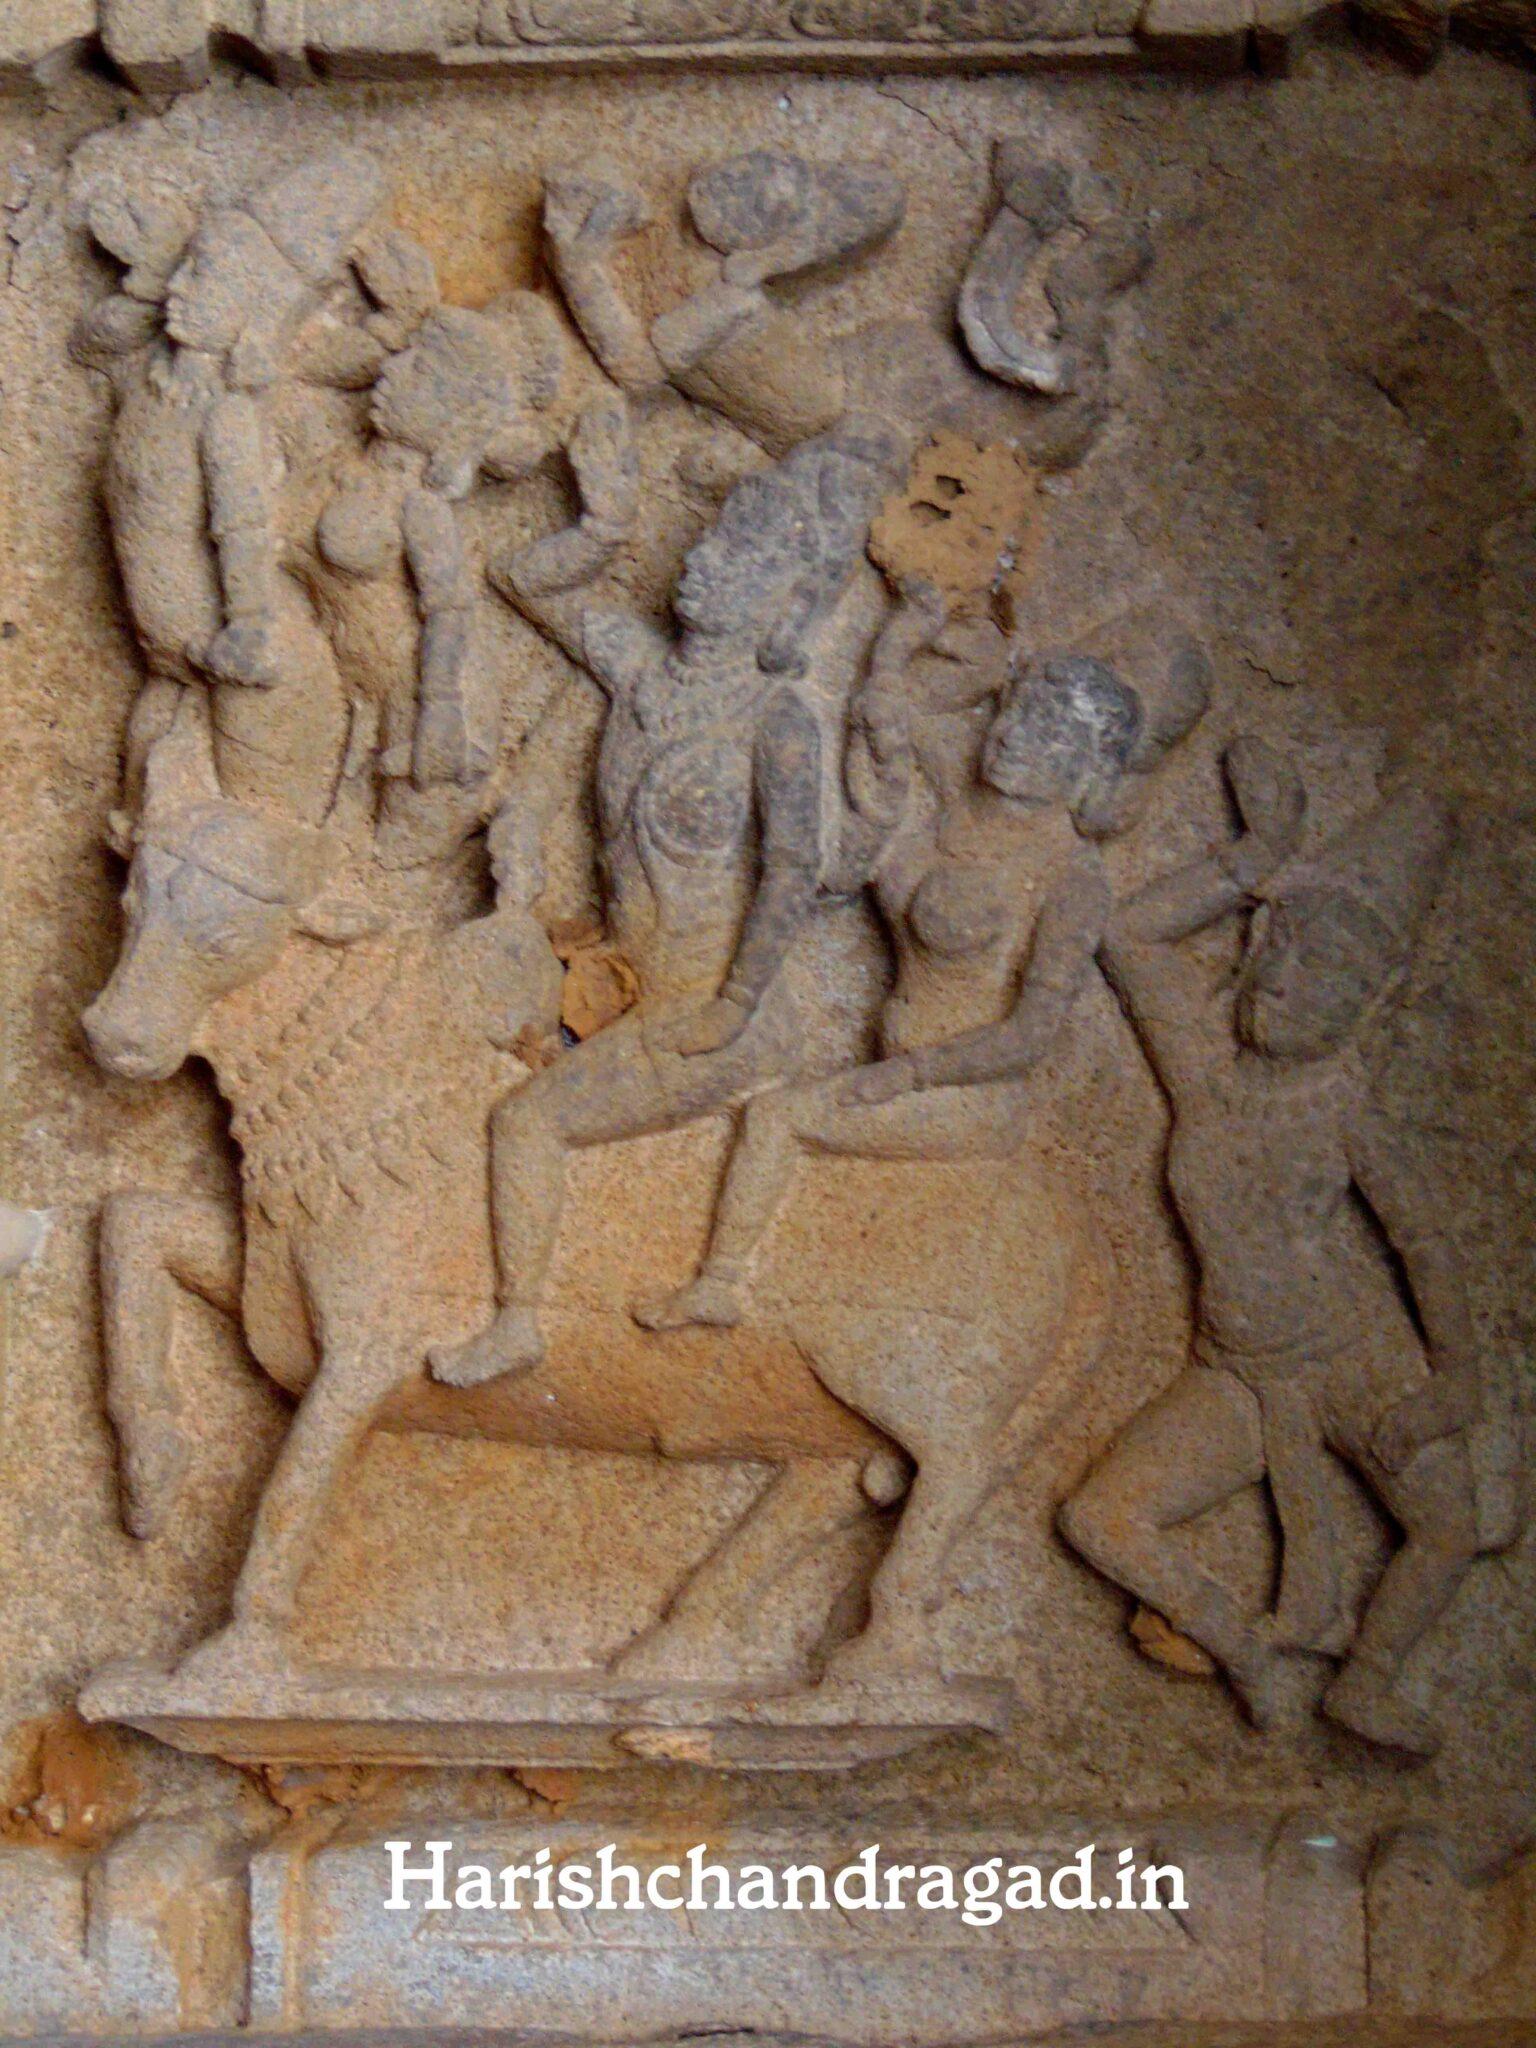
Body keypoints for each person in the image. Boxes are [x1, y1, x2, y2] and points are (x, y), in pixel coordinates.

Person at [427, 404, 908, 1387]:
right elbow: (523, 577)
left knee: (525, 1122)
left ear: (788, 600)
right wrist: (602, 523)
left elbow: (790, 871)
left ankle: (519, 1320)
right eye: (715, 536)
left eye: (744, 553)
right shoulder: (640, 669)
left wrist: (731, 1006)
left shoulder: (776, 721)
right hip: (612, 981)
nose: (706, 559)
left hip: (709, 1015)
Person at [1059, 740, 1521, 1756]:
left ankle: (1370, 1679)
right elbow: (1128, 931)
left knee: (1448, 1523)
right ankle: (1248, 1650)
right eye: (1290, 949)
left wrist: (1454, 1384)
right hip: (1239, 1370)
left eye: (1333, 975)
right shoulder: (1208, 1072)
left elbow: (1427, 1245)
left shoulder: (1343, 1110)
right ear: (1260, 947)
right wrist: (1256, 856)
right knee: (1102, 1516)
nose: (1294, 981)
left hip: (1355, 1354)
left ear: (1366, 1005)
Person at [636, 601, 1208, 1334]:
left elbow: (1032, 1035)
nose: (1009, 736)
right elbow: (884, 761)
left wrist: (907, 1075)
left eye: (1046, 731)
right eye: (1016, 711)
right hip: (893, 1057)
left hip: (966, 1097)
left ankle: (717, 1285)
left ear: (1089, 770)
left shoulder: (1072, 879)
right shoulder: (952, 819)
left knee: (777, 1116)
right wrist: (897, 669)